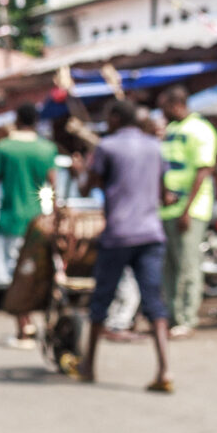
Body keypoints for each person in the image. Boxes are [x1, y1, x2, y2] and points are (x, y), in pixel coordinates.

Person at [77, 99, 172, 393]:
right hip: (150, 233)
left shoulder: (107, 147)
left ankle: (89, 365)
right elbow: (164, 193)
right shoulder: (155, 147)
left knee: (100, 302)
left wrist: (80, 168)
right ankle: (164, 369)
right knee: (154, 303)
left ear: (117, 117)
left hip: (118, 234)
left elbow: (86, 186)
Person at [0, 103, 58, 346]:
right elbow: (53, 185)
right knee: (42, 273)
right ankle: (41, 324)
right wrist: (55, 216)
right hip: (40, 224)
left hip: (11, 221)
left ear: (17, 119)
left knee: (16, 276)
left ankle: (24, 326)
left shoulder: (4, 148)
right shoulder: (46, 148)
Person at [158, 85, 217, 337]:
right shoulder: (171, 130)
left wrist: (187, 210)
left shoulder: (201, 130)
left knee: (187, 265)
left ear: (175, 105)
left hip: (191, 210)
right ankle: (171, 316)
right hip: (166, 211)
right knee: (168, 267)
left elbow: (204, 170)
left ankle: (187, 318)